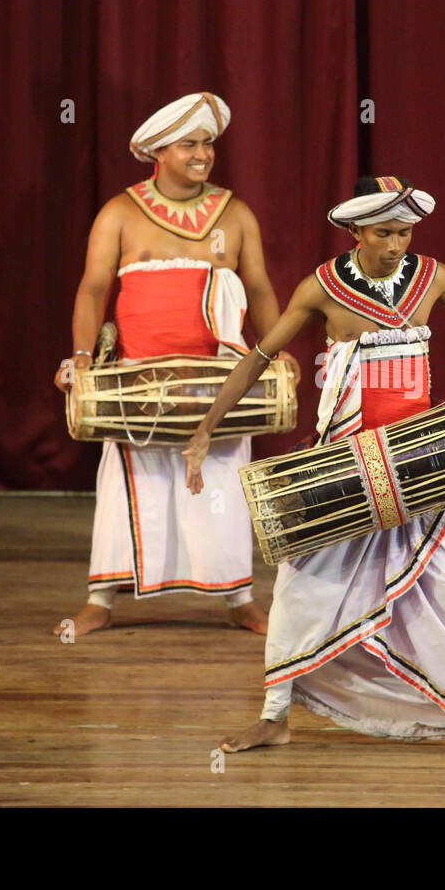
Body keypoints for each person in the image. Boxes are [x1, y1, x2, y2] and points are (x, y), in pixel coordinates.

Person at [183, 176, 445, 762]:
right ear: (356, 232)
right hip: (345, 461)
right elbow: (261, 356)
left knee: (444, 585)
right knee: (302, 588)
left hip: (420, 460)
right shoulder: (321, 288)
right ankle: (275, 718)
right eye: (384, 233)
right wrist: (205, 428)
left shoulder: (433, 277)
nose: (396, 244)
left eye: (404, 231)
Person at [52, 91, 295, 638]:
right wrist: (83, 356)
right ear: (159, 151)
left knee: (225, 483)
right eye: (190, 144)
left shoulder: (235, 214)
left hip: (219, 377)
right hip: (140, 378)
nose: (203, 154)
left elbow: (257, 286)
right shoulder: (119, 211)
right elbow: (93, 289)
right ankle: (101, 600)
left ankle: (239, 598)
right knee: (128, 485)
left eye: (208, 143)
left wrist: (275, 355)